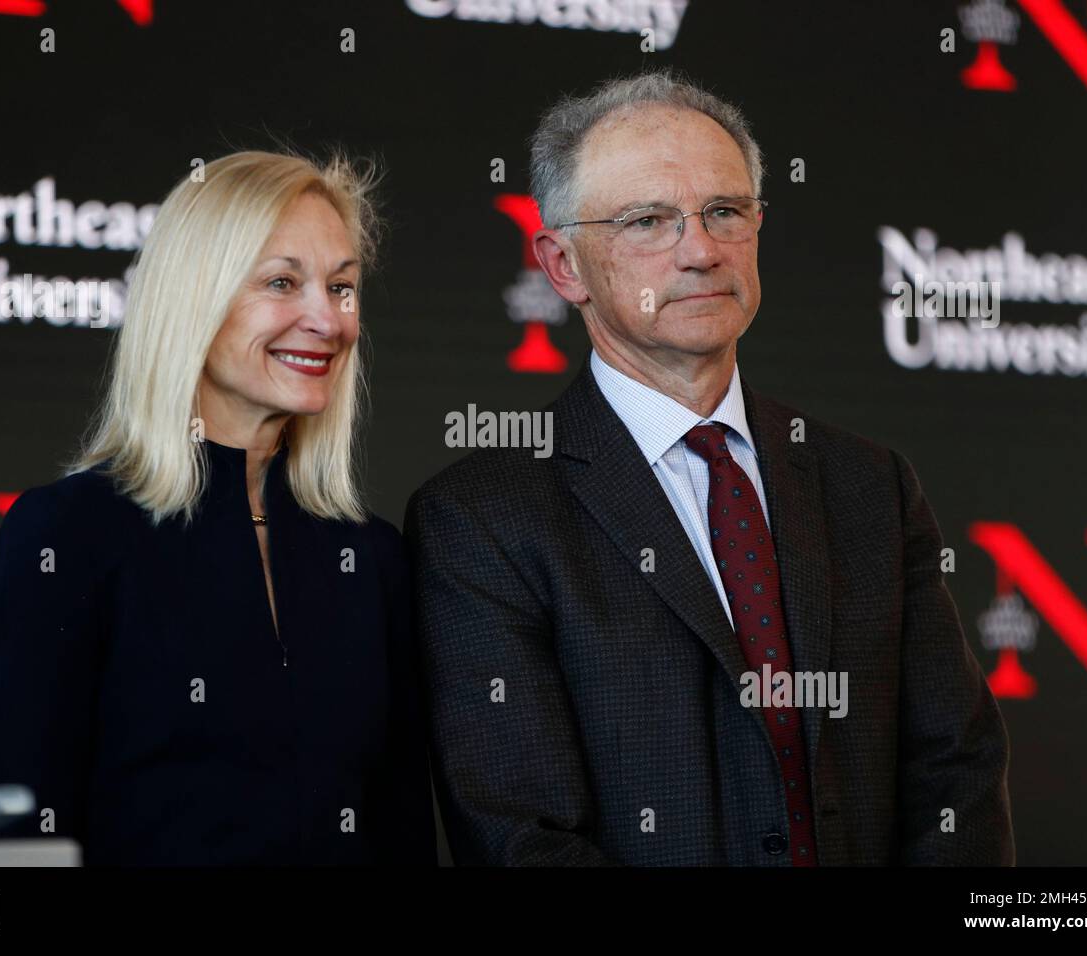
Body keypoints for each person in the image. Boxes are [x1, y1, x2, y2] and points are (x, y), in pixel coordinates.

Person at [405, 70, 1014, 866]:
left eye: (725, 212)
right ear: (563, 267)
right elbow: (523, 835)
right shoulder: (483, 516)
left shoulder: (871, 486)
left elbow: (955, 772)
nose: (699, 250)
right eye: (648, 221)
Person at [0, 150, 436, 866]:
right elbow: (22, 839)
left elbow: (399, 832)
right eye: (283, 282)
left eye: (342, 287)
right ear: (194, 298)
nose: (328, 319)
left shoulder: (373, 557)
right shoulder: (70, 533)